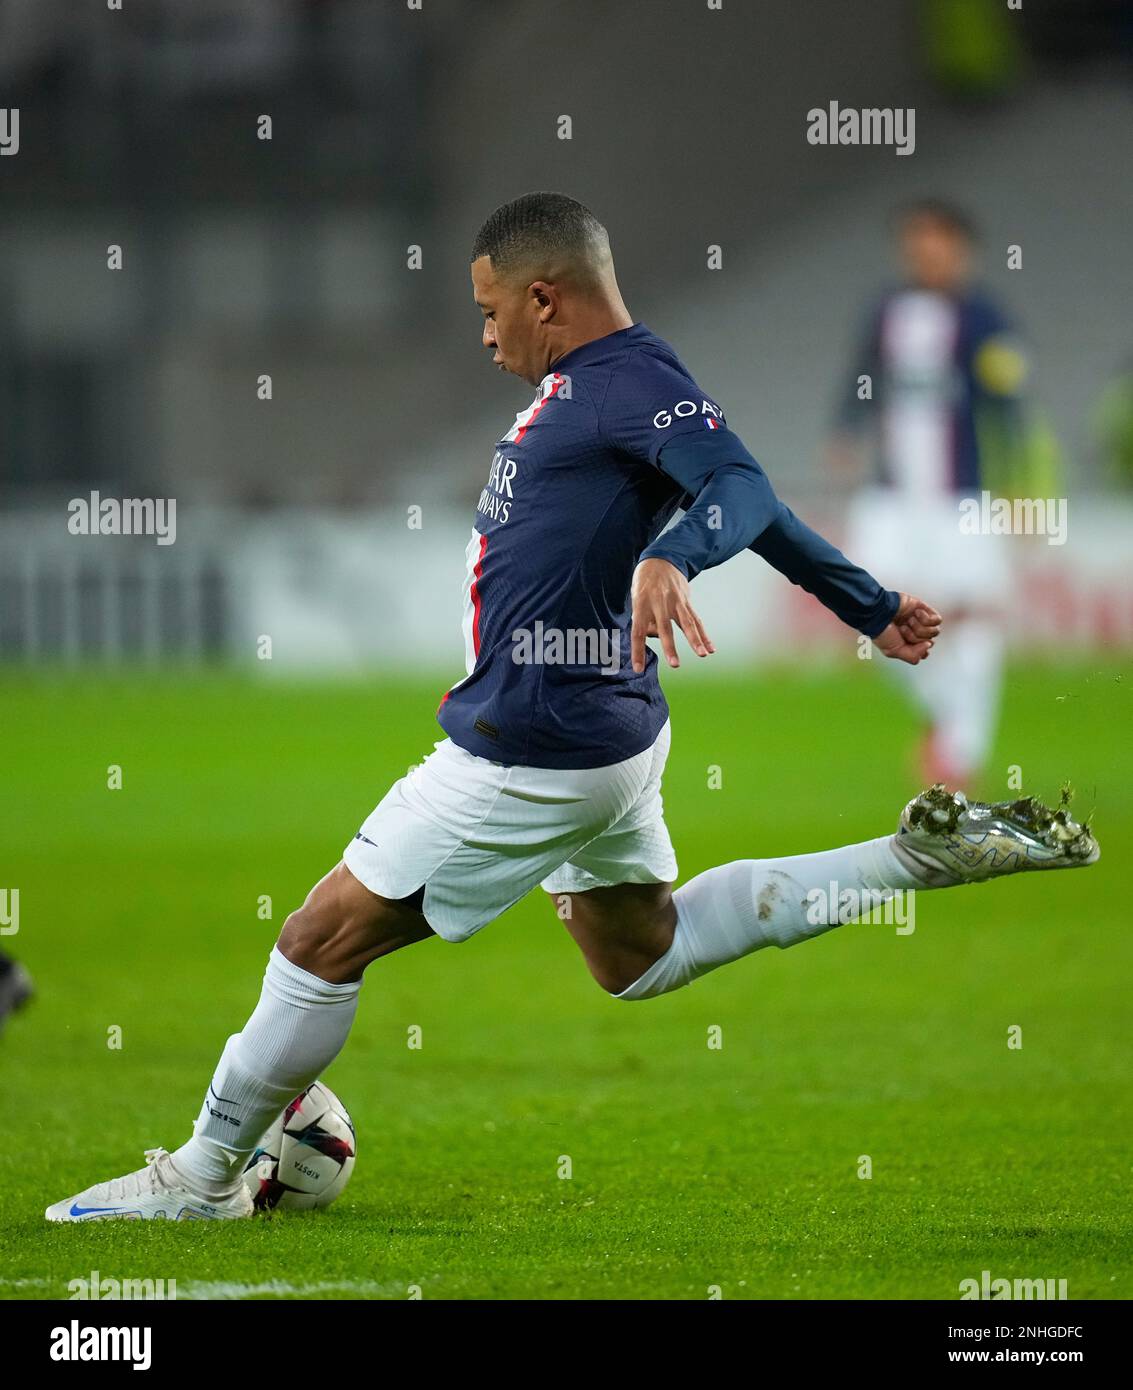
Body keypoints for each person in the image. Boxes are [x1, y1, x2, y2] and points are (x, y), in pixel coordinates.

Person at [47, 193, 1097, 1223]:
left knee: (317, 941)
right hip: (606, 735)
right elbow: (759, 498)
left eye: (489, 307)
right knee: (636, 955)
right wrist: (863, 605)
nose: (485, 329)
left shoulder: (620, 383)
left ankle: (202, 1175)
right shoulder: (625, 377)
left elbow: (734, 486)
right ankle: (908, 860)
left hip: (529, 748)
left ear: (543, 297)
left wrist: (669, 553)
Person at [829, 199, 1034, 788]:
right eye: (915, 240)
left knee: (973, 622)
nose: (924, 251)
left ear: (961, 249)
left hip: (959, 501)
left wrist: (1020, 489)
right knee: (865, 609)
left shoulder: (986, 318)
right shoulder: (886, 311)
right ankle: (944, 717)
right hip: (890, 498)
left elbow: (1009, 408)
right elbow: (861, 378)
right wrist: (845, 430)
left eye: (936, 240)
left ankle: (961, 751)